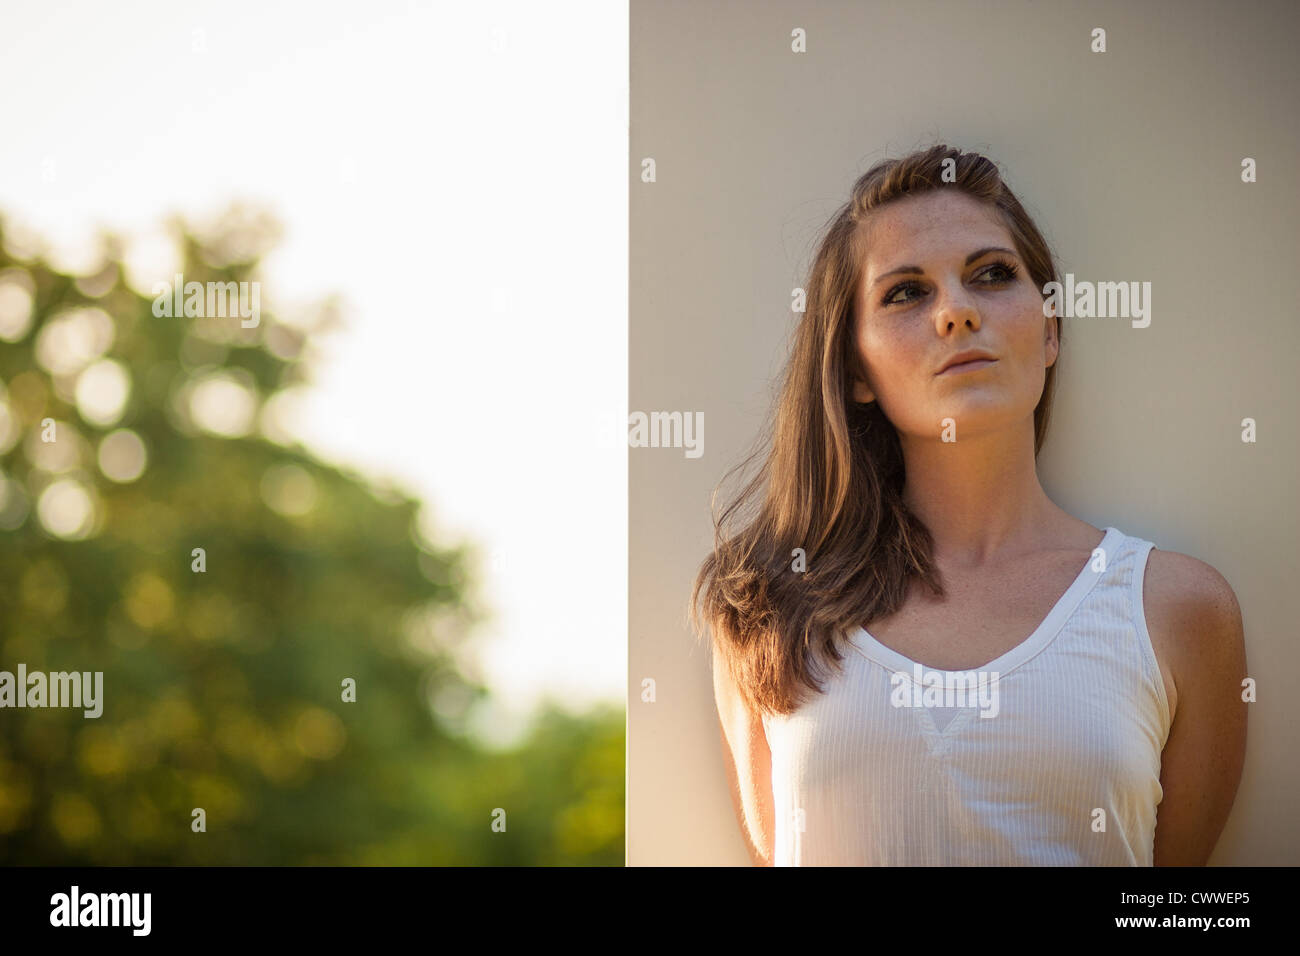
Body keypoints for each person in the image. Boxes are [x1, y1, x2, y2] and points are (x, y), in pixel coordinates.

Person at [690, 144, 1247, 866]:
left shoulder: (1178, 609)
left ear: (1049, 332)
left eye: (991, 275)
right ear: (855, 369)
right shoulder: (764, 605)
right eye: (905, 293)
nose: (956, 312)